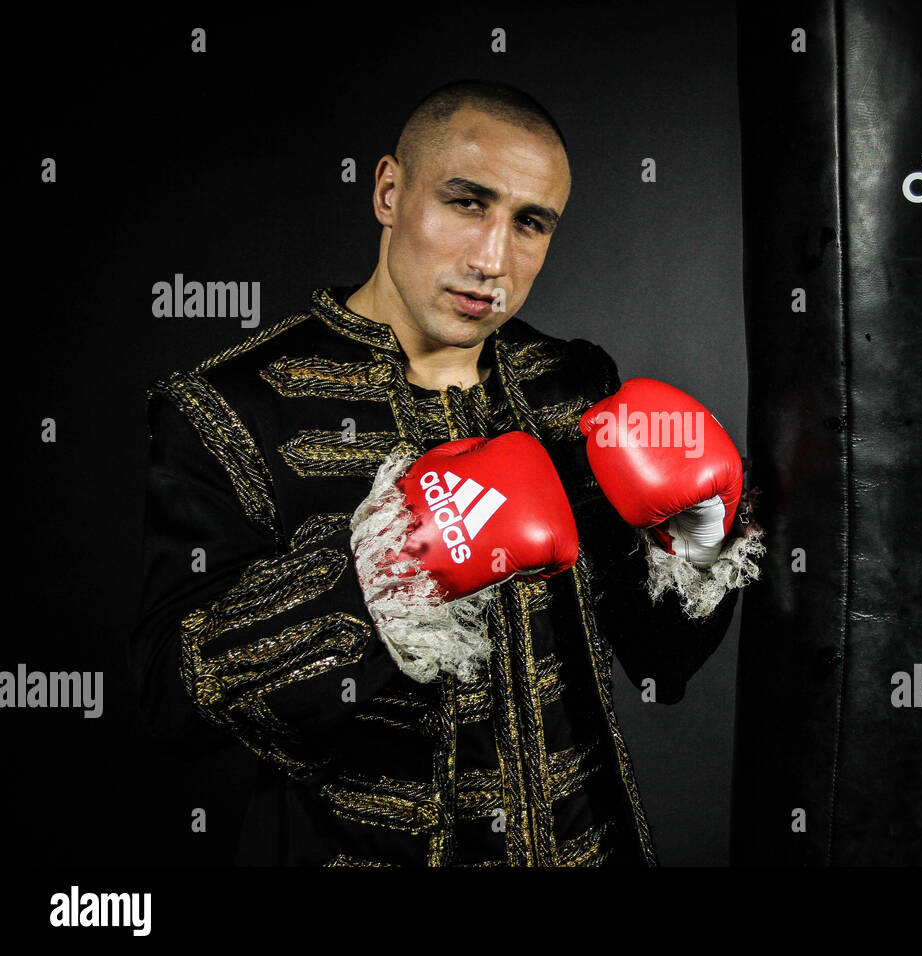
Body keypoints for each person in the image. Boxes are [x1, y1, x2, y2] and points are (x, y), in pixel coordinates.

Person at [128, 79, 765, 867]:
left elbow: (662, 663)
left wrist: (697, 541)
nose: (492, 259)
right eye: (468, 203)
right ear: (390, 192)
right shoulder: (234, 407)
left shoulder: (569, 386)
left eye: (530, 223)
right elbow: (168, 703)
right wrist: (387, 573)